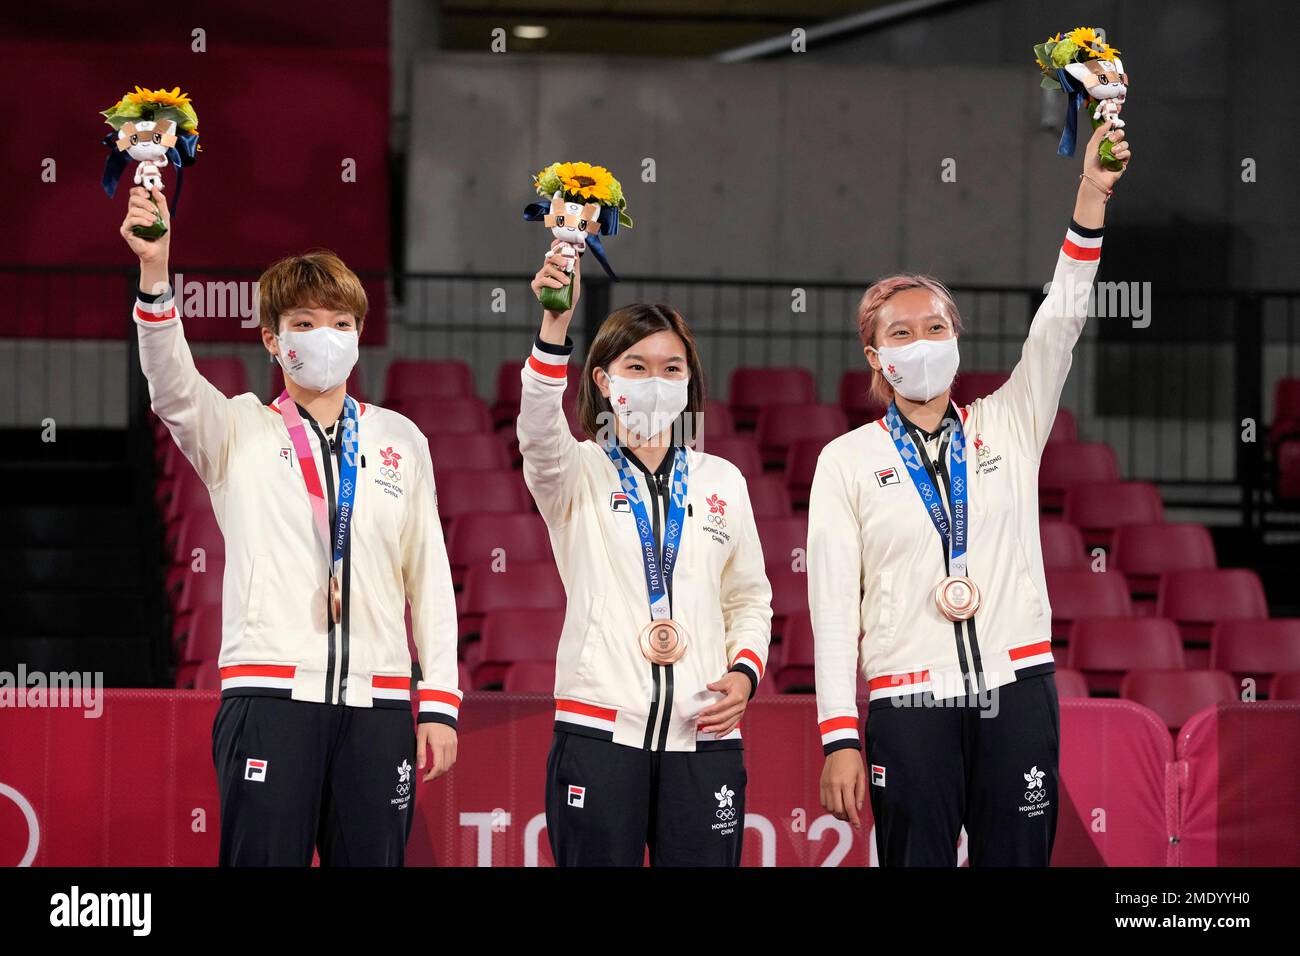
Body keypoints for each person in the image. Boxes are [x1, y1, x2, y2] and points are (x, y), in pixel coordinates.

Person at [811, 120, 1131, 866]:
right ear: (876, 355)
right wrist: (838, 734)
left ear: (956, 338)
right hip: (907, 699)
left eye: (934, 325)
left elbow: (1062, 319)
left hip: (1017, 687)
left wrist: (1092, 194)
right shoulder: (846, 460)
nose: (919, 341)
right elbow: (831, 608)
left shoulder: (1009, 424)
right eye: (900, 332)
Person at [121, 185, 461, 866]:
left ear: (359, 336)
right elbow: (170, 383)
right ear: (273, 339)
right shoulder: (236, 429)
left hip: (380, 702)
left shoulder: (401, 440)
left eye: (340, 322)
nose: (325, 337)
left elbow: (430, 576)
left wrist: (440, 702)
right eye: (305, 322)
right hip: (271, 694)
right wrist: (155, 271)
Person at [520, 240, 773, 866]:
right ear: (604, 380)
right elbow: (537, 428)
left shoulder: (722, 481)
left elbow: (750, 597)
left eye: (670, 368)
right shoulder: (573, 471)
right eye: (636, 367)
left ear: (688, 380)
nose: (655, 381)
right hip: (601, 731)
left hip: (705, 733)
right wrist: (555, 323)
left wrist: (744, 674)